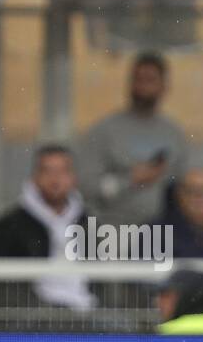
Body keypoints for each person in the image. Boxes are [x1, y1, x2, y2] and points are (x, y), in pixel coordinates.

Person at [0, 144, 97, 313]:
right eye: (48, 171)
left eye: (62, 171)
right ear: (35, 177)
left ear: (73, 178)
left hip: (87, 311)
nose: (55, 179)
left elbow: (103, 278)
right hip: (33, 316)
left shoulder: (89, 222)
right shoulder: (10, 225)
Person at [79, 52, 187, 228]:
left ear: (164, 86)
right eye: (138, 79)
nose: (143, 87)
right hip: (111, 230)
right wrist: (130, 179)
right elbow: (85, 187)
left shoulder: (173, 134)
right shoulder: (105, 130)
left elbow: (183, 185)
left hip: (163, 233)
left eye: (150, 80)